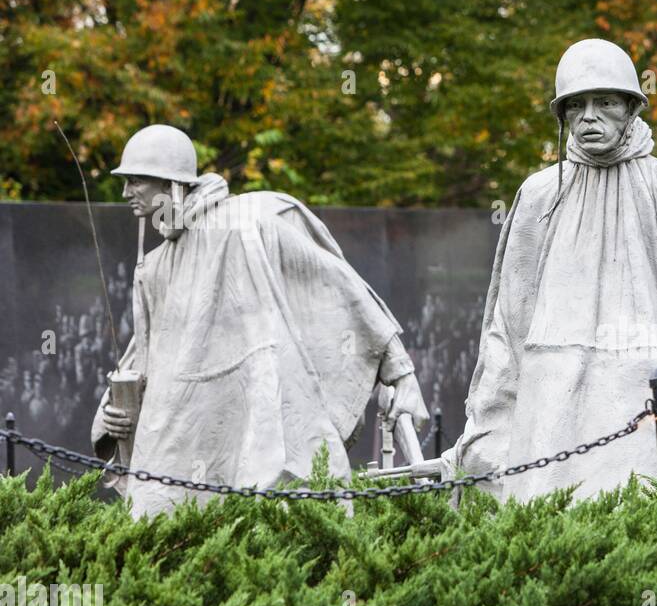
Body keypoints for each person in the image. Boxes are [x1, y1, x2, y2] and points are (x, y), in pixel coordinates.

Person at [439, 39, 657, 501]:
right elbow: (510, 322)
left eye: (604, 102)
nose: (588, 116)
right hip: (552, 401)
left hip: (655, 395)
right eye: (575, 105)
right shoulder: (539, 197)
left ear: (631, 108)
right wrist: (492, 422)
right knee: (544, 524)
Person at [93, 124, 427, 517]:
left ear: (171, 182)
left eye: (135, 181)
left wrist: (401, 373)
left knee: (270, 530)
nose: (125, 193)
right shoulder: (154, 266)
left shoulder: (245, 225)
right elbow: (143, 356)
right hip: (178, 434)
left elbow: (335, 286)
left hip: (255, 413)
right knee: (161, 536)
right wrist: (111, 413)